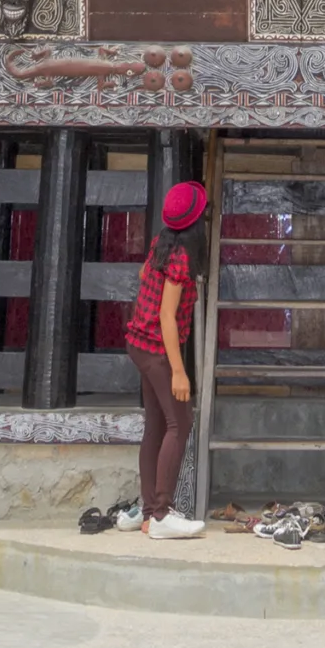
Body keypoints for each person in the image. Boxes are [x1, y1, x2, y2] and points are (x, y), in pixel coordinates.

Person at [117, 178, 209, 539]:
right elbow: (167, 317)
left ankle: (147, 509)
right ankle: (160, 515)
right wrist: (179, 371)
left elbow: (143, 275)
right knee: (180, 422)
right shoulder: (182, 256)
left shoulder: (162, 241)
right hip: (155, 348)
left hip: (138, 342)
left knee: (156, 425)